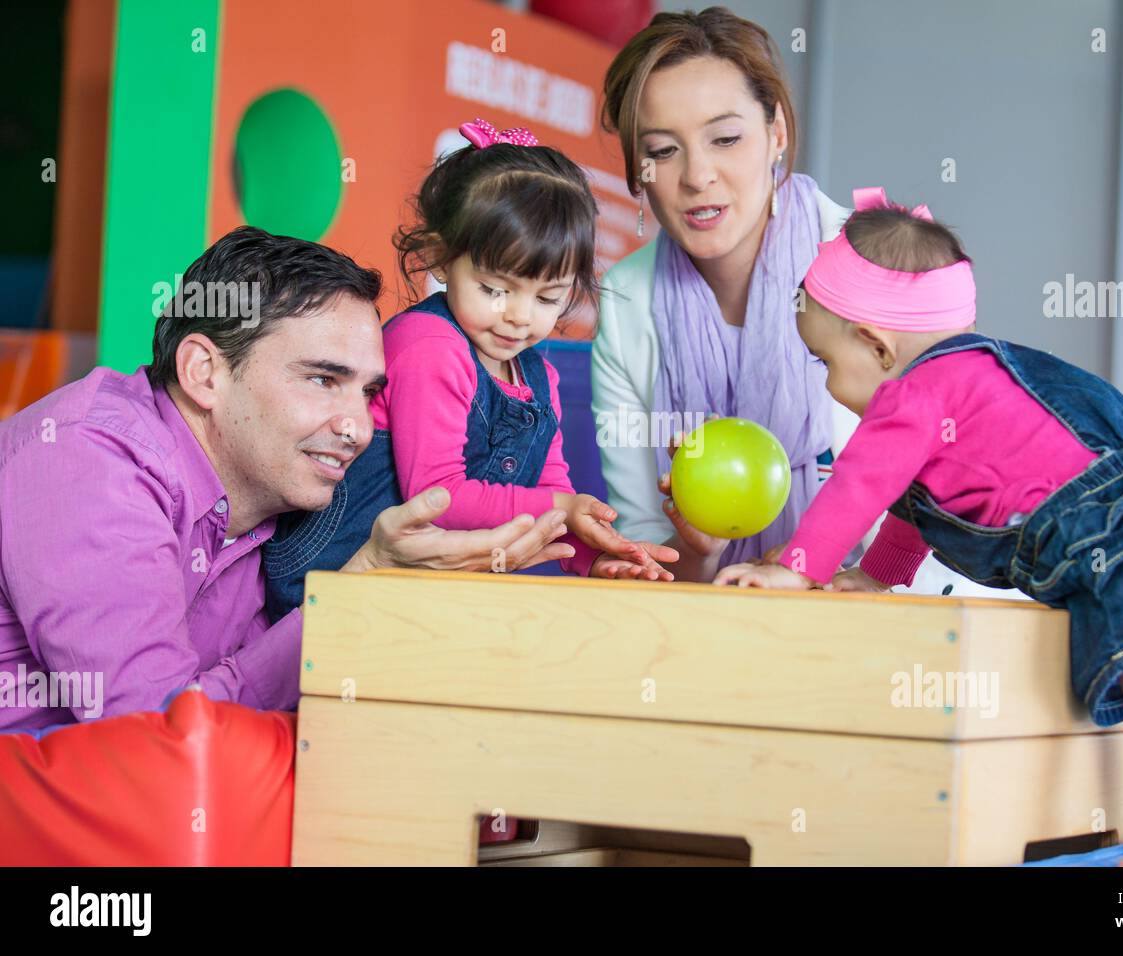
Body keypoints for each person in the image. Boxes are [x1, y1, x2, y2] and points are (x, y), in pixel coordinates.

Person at [716, 187, 1123, 867]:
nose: (826, 382)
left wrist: (798, 566)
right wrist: (875, 577)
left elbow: (863, 484)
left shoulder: (913, 394)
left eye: (824, 362)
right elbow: (913, 512)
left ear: (875, 345)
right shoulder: (992, 372)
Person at [0, 226, 571, 733]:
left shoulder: (282, 508)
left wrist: (369, 585)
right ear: (205, 372)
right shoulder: (87, 457)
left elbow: (250, 716)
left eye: (369, 393)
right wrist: (346, 603)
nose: (358, 429)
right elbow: (163, 737)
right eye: (323, 379)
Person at [592, 6, 998, 596]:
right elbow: (651, 563)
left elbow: (952, 487)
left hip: (913, 612)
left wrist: (826, 558)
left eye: (726, 138)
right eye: (663, 149)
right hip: (723, 633)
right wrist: (697, 545)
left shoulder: (873, 264)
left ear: (777, 131)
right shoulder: (628, 302)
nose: (698, 175)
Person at [263, 119, 678, 622]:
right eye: (496, 289)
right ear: (440, 258)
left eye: (548, 297)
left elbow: (554, 493)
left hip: (422, 590)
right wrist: (561, 509)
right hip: (337, 573)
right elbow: (439, 496)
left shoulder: (536, 376)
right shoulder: (428, 345)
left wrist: (597, 554)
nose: (520, 316)